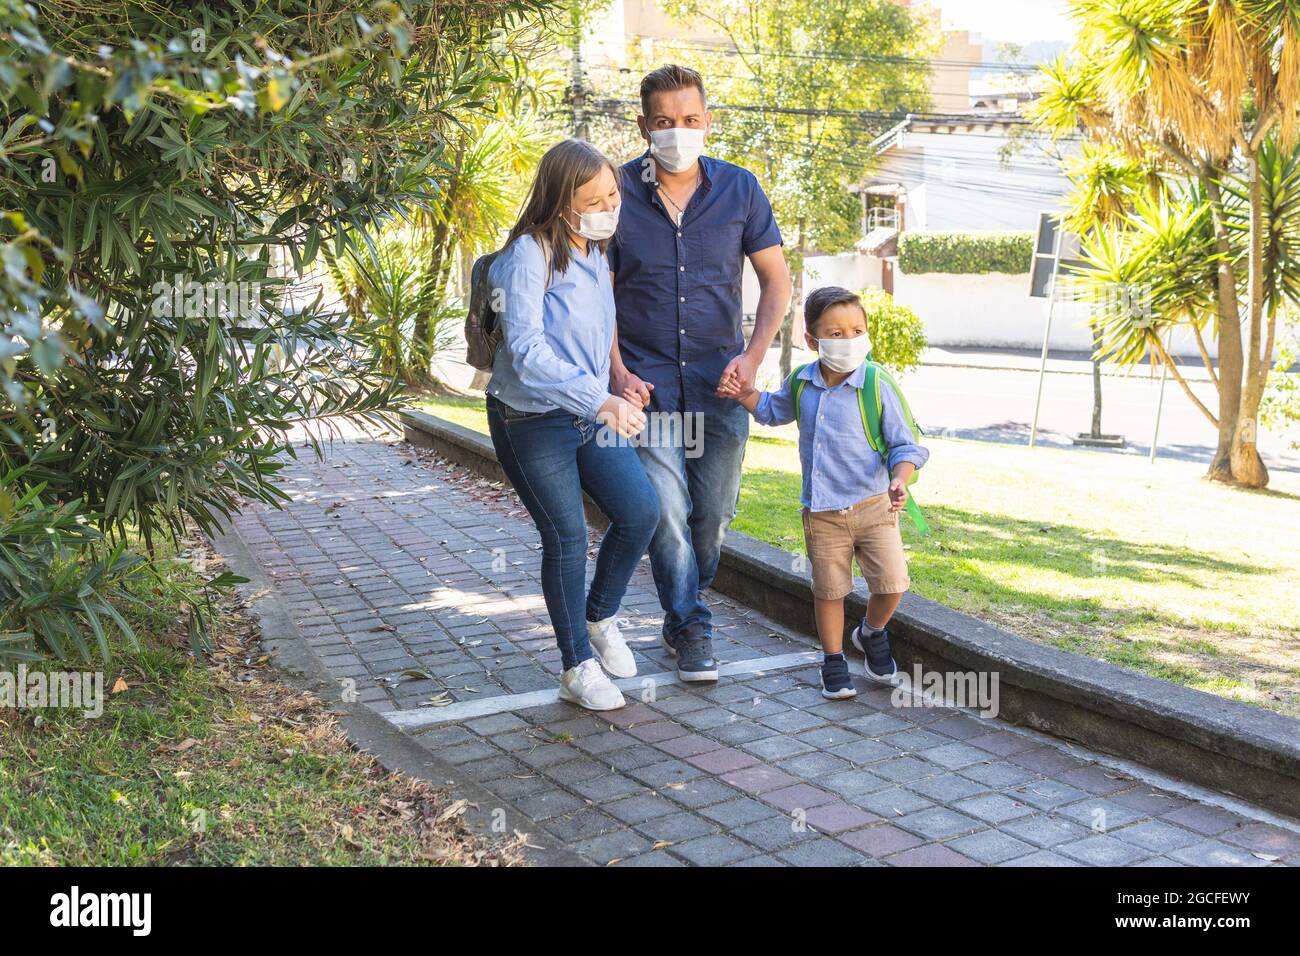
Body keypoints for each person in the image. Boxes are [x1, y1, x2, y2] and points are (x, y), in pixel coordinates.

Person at [608, 64, 792, 682]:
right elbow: (596, 293)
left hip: (721, 387)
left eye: (689, 121)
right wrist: (615, 371)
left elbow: (777, 281)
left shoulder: (740, 189)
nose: (677, 132)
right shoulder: (613, 192)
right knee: (665, 514)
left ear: (707, 122)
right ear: (643, 125)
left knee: (710, 518)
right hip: (647, 388)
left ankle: (682, 604)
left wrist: (754, 356)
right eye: (664, 123)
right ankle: (690, 624)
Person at [485, 139, 660, 711]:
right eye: (594, 198)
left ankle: (599, 615)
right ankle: (576, 665)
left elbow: (598, 326)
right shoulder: (528, 255)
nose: (609, 204)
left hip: (586, 410)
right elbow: (528, 351)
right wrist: (600, 400)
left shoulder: (593, 249)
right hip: (531, 419)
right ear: (562, 203)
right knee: (565, 537)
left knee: (640, 512)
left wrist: (618, 377)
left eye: (613, 193)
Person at [719, 286, 929, 699]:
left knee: (892, 583)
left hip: (874, 505)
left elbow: (907, 446)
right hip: (822, 512)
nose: (848, 340)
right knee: (829, 590)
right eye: (835, 333)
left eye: (856, 330)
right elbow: (770, 410)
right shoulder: (802, 383)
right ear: (812, 340)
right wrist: (742, 393)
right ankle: (833, 660)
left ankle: (871, 632)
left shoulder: (877, 385)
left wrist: (900, 479)